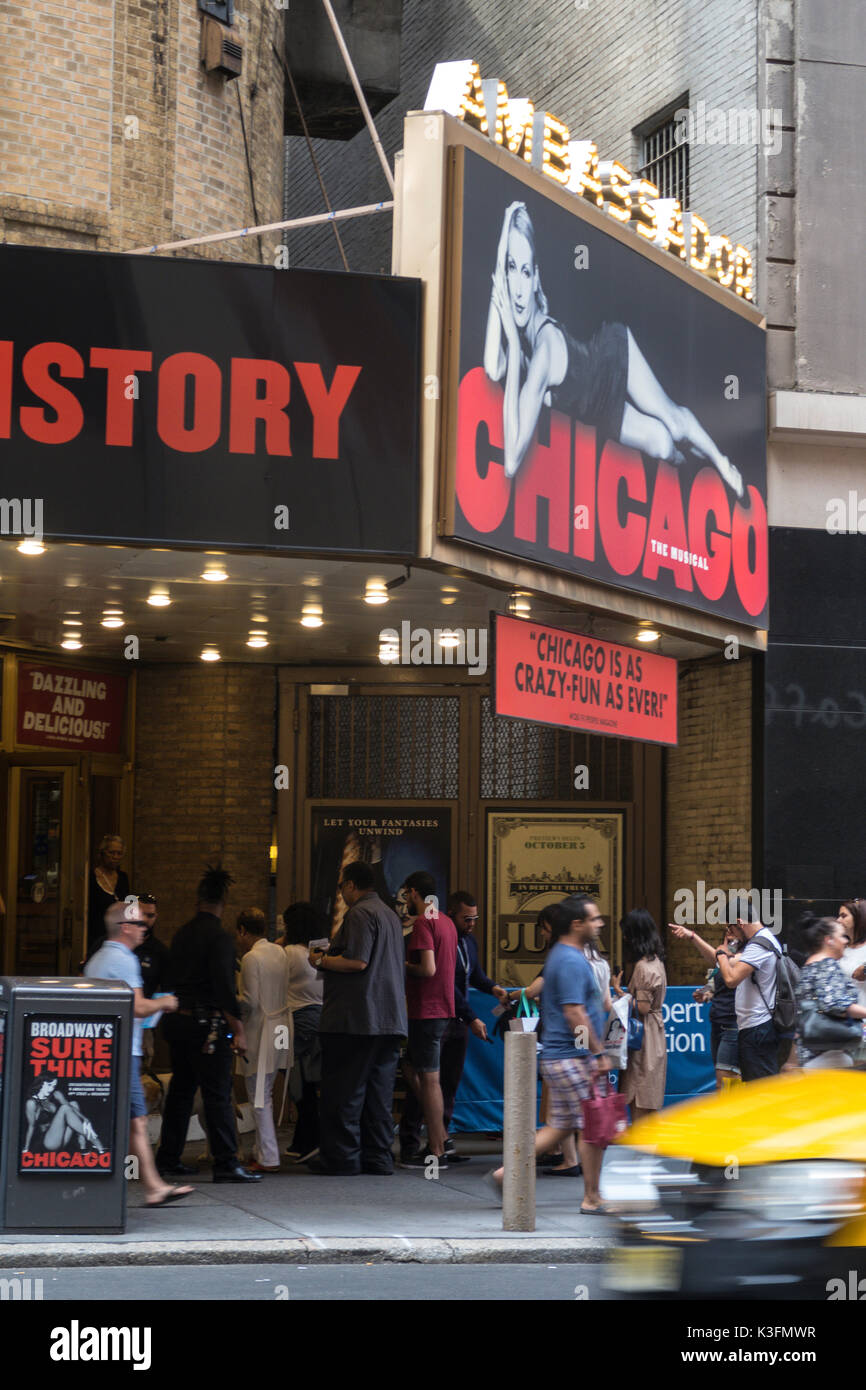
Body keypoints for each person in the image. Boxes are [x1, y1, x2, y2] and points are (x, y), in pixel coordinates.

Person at [484, 201, 743, 495]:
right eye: (511, 269)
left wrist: (514, 342)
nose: (517, 289)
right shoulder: (524, 335)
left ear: (535, 279)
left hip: (610, 358)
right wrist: (499, 286)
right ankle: (695, 466)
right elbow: (493, 367)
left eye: (526, 272)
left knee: (673, 423)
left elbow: (511, 462)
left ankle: (721, 462)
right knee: (662, 445)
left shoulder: (543, 351)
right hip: (599, 408)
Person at [487, 897, 611, 1212]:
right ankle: (592, 1196)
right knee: (592, 1127)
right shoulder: (569, 960)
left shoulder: (563, 956)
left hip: (562, 1055)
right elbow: (574, 1012)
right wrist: (598, 1053)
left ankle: (506, 1174)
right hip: (572, 1056)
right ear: (576, 925)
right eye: (594, 919)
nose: (600, 924)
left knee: (562, 1125)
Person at [156, 865, 260, 1184]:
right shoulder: (221, 938)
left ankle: (168, 1158)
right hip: (208, 1028)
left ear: (197, 901)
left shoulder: (181, 934)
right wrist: (239, 1030)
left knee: (181, 1092)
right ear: (222, 904)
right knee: (217, 1093)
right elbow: (224, 989)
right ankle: (226, 1162)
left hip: (179, 1023)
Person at [85, 899, 191, 1208]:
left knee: (130, 1121)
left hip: (105, 1048)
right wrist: (167, 1003)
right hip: (123, 1051)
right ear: (126, 927)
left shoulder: (97, 959)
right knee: (137, 1120)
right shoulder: (124, 960)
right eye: (141, 923)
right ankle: (152, 1187)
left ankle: (149, 1184)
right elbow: (138, 1005)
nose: (146, 928)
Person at [307, 861, 408, 1176]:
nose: (342, 893)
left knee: (344, 1091)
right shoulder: (391, 915)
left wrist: (321, 959)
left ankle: (341, 1159)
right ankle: (378, 1158)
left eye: (341, 887)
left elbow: (357, 962)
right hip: (390, 1019)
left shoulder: (360, 914)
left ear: (351, 885)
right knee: (379, 1094)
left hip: (357, 1018)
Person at [399, 890, 507, 1166]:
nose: (471, 924)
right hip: (444, 1012)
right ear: (452, 914)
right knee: (422, 1077)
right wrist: (472, 1018)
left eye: (475, 918)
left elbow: (477, 976)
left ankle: (441, 1138)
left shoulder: (469, 943)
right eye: (467, 918)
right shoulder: (441, 935)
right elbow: (445, 984)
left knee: (446, 1082)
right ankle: (419, 1142)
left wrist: (494, 989)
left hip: (451, 1018)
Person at [399, 870, 458, 1170]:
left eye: (407, 894)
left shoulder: (423, 922)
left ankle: (436, 1148)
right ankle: (442, 1135)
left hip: (426, 1009)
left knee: (429, 1078)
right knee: (413, 1070)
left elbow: (428, 969)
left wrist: (400, 964)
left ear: (412, 893)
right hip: (443, 1009)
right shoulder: (445, 921)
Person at [236, 908, 291, 1174]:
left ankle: (268, 1156)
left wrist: (227, 1000)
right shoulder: (279, 952)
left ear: (243, 931)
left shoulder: (250, 958)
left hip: (260, 1030)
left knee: (259, 1097)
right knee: (266, 1091)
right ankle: (261, 1152)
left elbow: (249, 1002)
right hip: (281, 1028)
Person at [714, 900, 783, 1081]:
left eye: (730, 928)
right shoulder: (759, 942)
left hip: (758, 1028)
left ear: (740, 922)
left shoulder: (760, 945)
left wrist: (721, 954)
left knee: (762, 1091)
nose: (730, 933)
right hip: (753, 1027)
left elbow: (731, 979)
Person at [669, 920, 741, 1087]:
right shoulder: (724, 953)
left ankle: (735, 1111)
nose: (728, 931)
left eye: (732, 928)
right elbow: (717, 978)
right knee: (726, 1080)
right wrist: (707, 993)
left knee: (725, 1079)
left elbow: (725, 963)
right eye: (727, 928)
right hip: (717, 1022)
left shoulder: (743, 954)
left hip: (733, 1024)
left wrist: (693, 936)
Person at [282, 902, 325, 1162]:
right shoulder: (322, 950)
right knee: (311, 1081)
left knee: (298, 1084)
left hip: (297, 1019)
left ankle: (310, 1140)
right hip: (321, 1018)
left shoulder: (288, 953)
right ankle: (301, 1141)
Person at [795, 916, 866, 1069]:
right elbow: (835, 1004)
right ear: (829, 940)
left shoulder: (810, 965)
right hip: (830, 1056)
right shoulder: (827, 965)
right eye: (842, 936)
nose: (846, 941)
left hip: (811, 1055)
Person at [619, 910, 668, 1120]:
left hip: (644, 1036)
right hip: (653, 1033)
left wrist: (620, 994)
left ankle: (643, 1150)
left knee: (640, 1093)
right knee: (649, 1094)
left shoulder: (643, 967)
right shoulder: (656, 961)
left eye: (626, 933)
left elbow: (642, 1008)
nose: (623, 938)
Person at [86, 834, 130, 956]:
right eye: (111, 853)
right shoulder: (90, 877)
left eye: (119, 853)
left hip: (117, 937)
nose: (115, 857)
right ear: (102, 854)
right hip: (95, 935)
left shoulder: (123, 878)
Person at [133, 893, 170, 998]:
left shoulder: (160, 952)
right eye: (140, 914)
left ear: (155, 917)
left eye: (150, 915)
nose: (144, 920)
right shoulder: (113, 943)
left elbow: (167, 990)